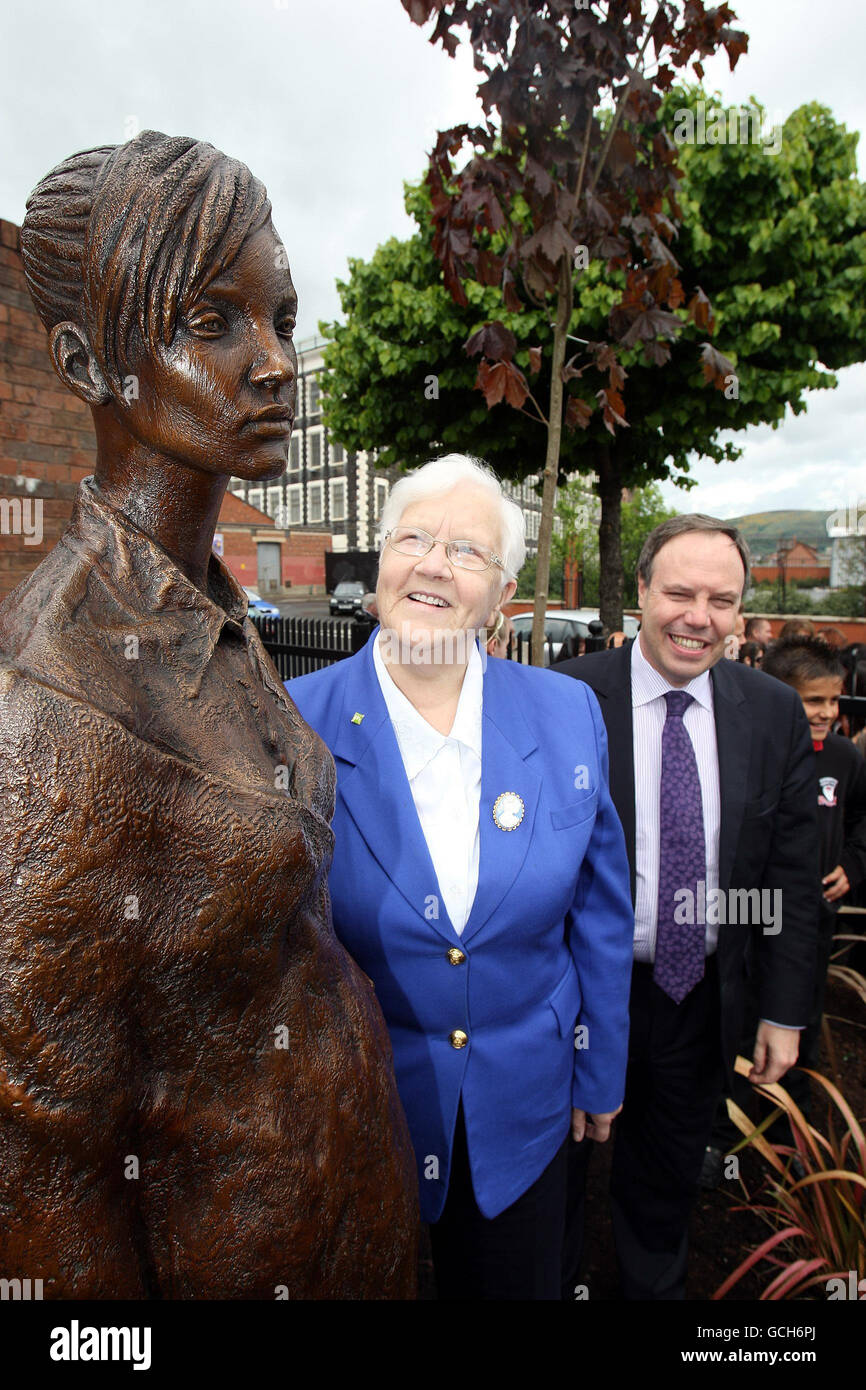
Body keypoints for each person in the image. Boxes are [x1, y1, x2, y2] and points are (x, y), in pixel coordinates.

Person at [0, 131, 417, 1298]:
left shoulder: (220, 620)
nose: (276, 361)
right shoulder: (47, 708)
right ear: (89, 363)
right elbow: (40, 1181)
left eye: (280, 316)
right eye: (213, 322)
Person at [290, 453, 635, 1301]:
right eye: (415, 538)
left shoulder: (565, 713)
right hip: (357, 1113)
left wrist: (600, 1072)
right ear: (381, 567)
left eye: (467, 551)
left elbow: (598, 908)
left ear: (502, 596)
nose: (435, 563)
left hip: (526, 1113)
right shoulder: (293, 719)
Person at [558, 514, 819, 1300]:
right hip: (571, 992)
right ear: (640, 592)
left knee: (665, 1185)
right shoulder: (565, 699)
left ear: (741, 612)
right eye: (679, 592)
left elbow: (790, 874)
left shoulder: (772, 713)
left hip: (692, 993)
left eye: (721, 598)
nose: (698, 617)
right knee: (555, 1181)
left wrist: (783, 1009)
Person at [759, 637, 866, 1121]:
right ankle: (729, 1126)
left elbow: (861, 819)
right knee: (743, 1015)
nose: (827, 712)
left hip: (816, 916)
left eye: (834, 699)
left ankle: (794, 1123)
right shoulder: (758, 751)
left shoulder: (845, 758)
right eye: (813, 700)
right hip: (753, 913)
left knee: (802, 1012)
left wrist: (853, 862)